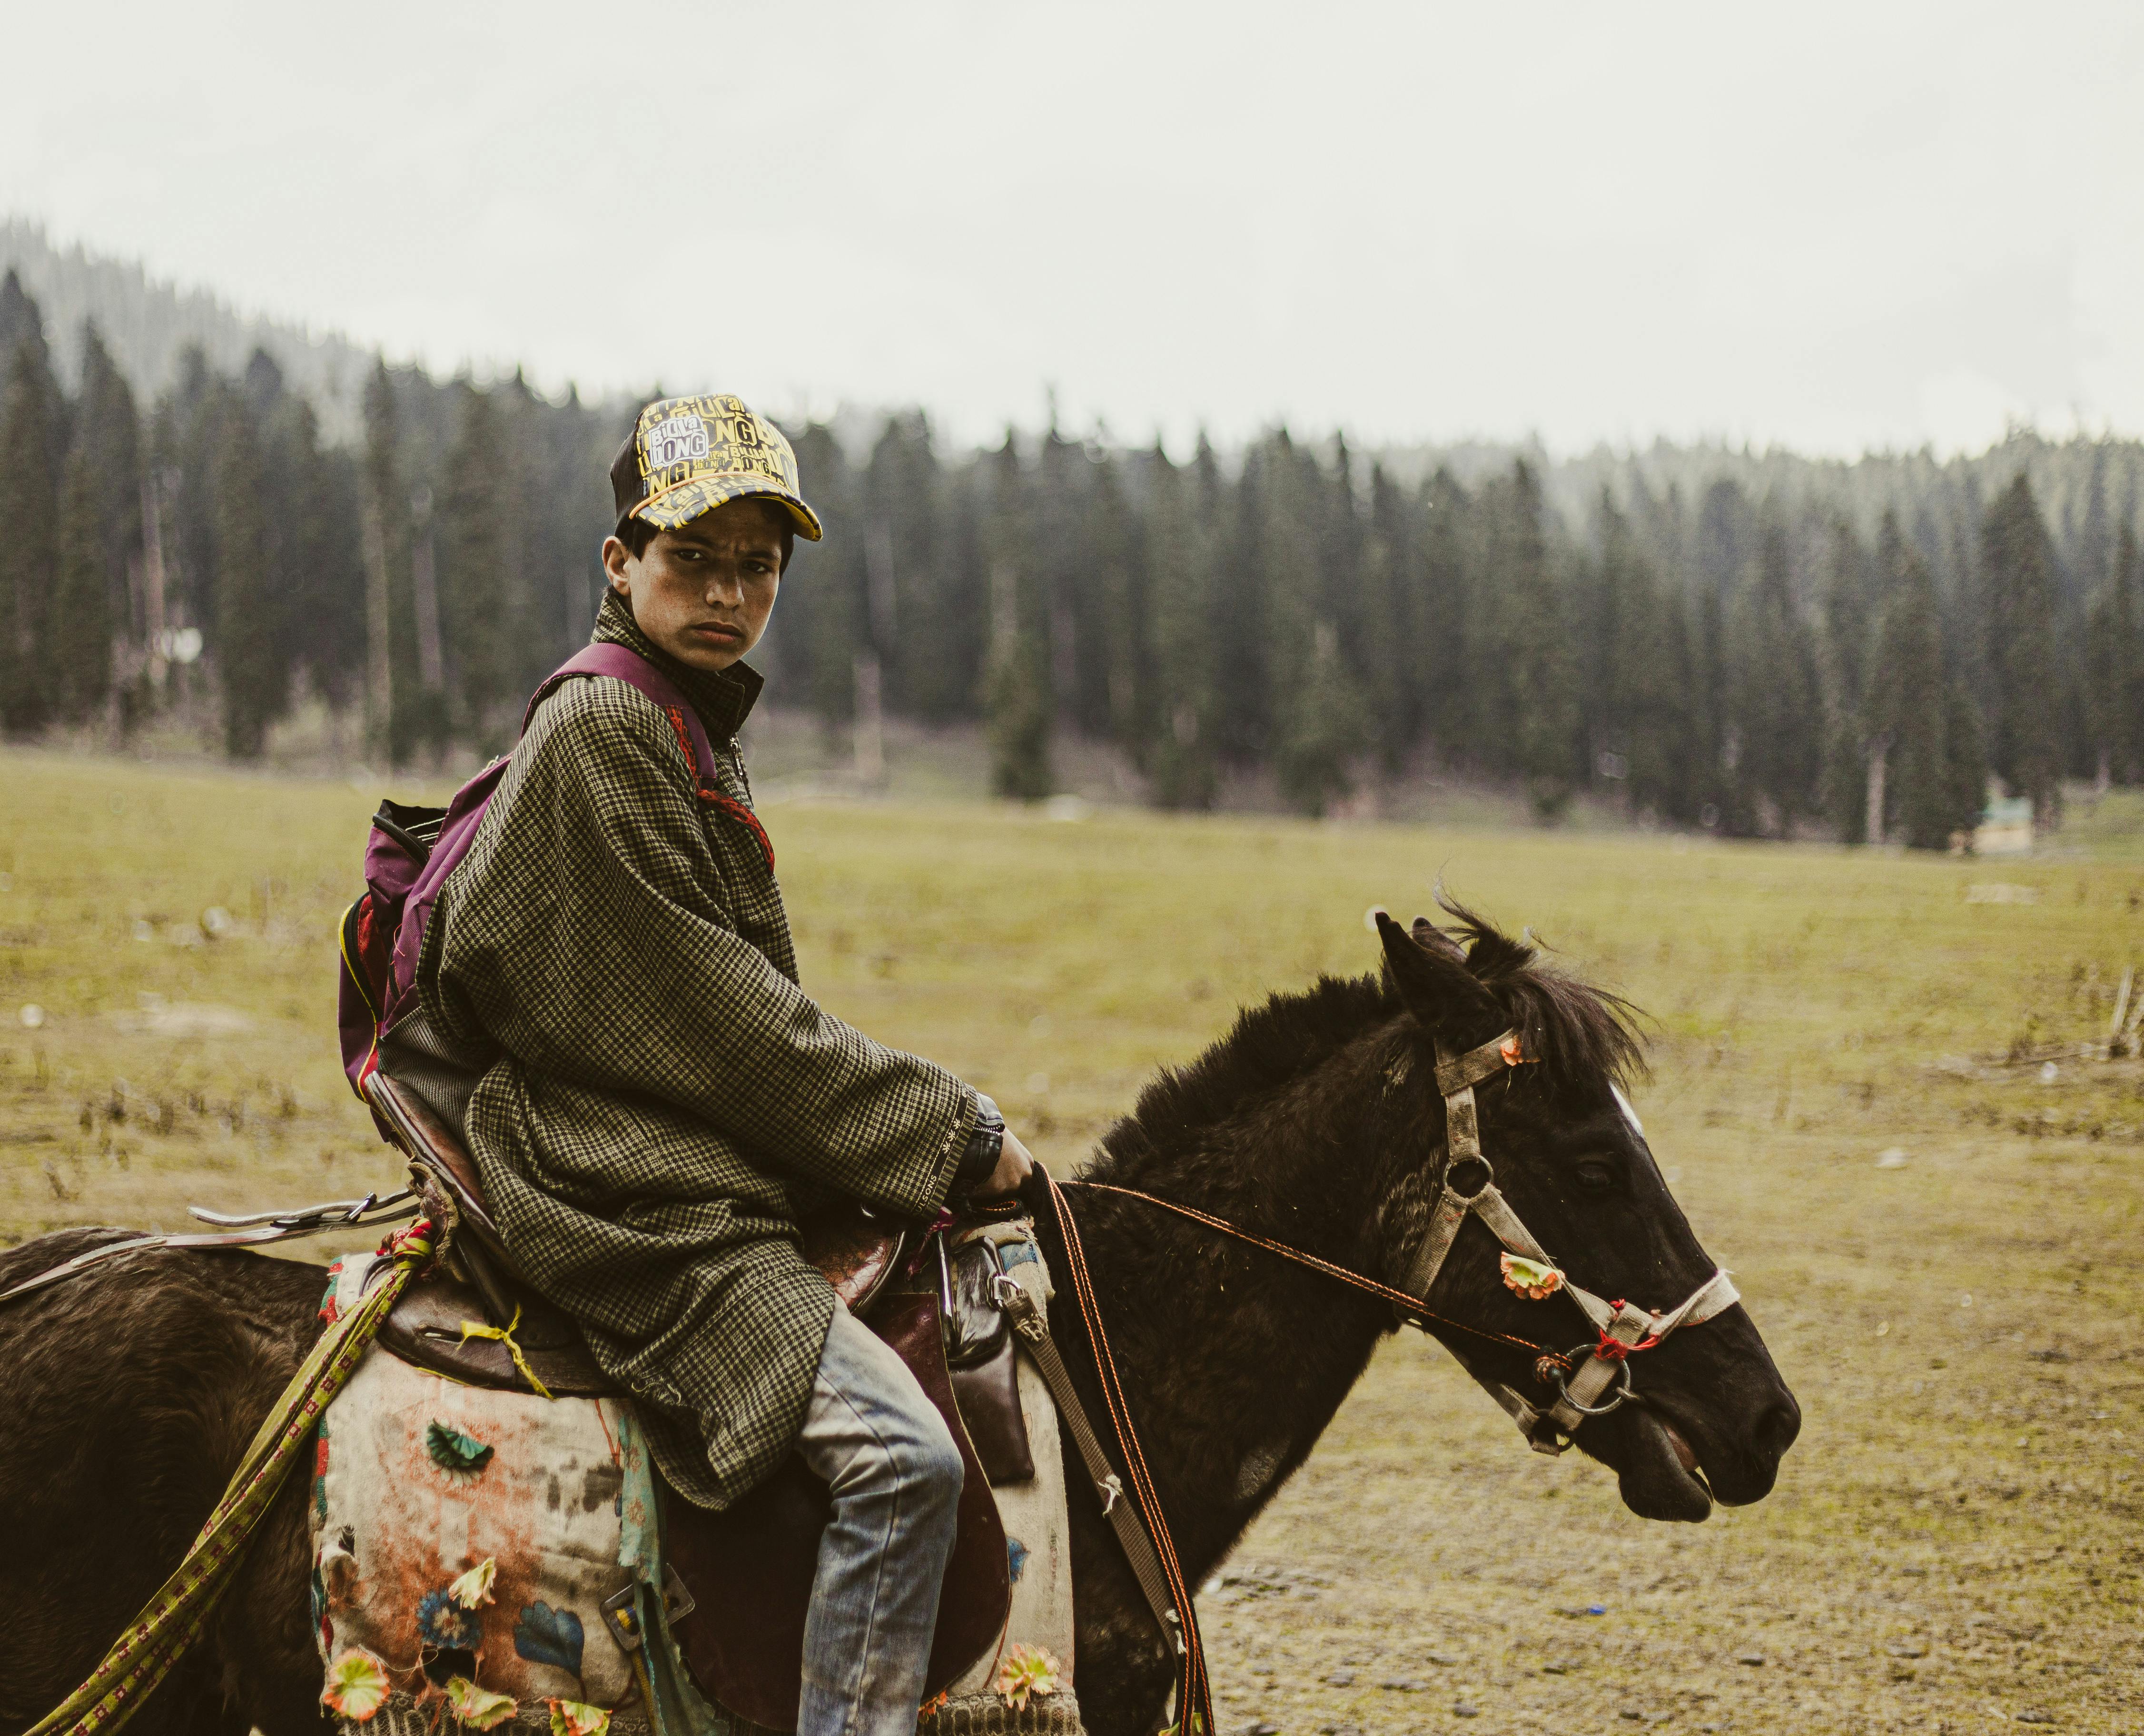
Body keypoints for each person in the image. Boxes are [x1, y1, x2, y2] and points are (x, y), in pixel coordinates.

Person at [397, 393, 1034, 1736]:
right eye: (694, 557)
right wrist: (949, 1137)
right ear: (619, 563)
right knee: (906, 1460)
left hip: (651, 1141)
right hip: (622, 1181)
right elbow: (715, 1017)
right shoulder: (611, 728)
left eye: (757, 565)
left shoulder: (677, 719)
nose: (729, 591)